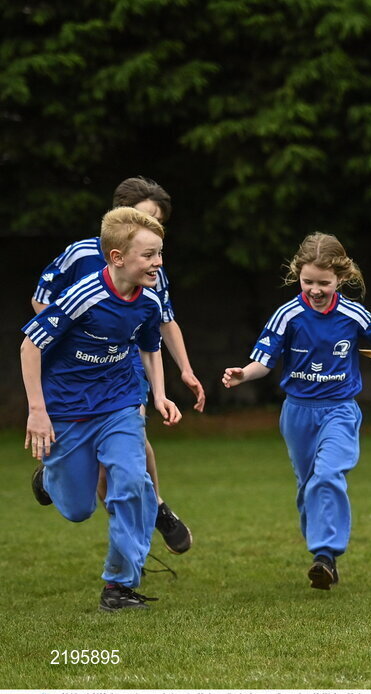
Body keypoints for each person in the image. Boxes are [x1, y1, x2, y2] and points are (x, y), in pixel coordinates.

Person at [222, 232, 371, 589]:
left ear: (341, 279)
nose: (315, 290)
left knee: (327, 476)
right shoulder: (287, 316)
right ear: (297, 275)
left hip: (339, 411)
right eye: (308, 282)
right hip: (297, 413)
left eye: (324, 283)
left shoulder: (352, 314)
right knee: (307, 486)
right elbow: (263, 363)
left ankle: (325, 554)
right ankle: (323, 555)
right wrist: (243, 374)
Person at [21, 206, 182, 611]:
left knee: (130, 482)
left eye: (160, 253)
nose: (158, 263)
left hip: (120, 402)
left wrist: (159, 394)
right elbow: (31, 345)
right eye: (148, 255)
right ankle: (51, 478)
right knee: (77, 510)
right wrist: (37, 411)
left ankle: (118, 587)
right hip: (68, 408)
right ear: (117, 258)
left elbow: (149, 345)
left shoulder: (150, 296)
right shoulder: (84, 294)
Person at [30, 177, 201, 555]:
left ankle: (151, 510)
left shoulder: (152, 270)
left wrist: (183, 370)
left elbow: (163, 323)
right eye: (143, 220)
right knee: (93, 481)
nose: (150, 231)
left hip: (123, 369)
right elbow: (42, 302)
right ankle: (61, 475)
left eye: (157, 223)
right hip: (76, 375)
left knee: (131, 441)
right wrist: (77, 341)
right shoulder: (80, 256)